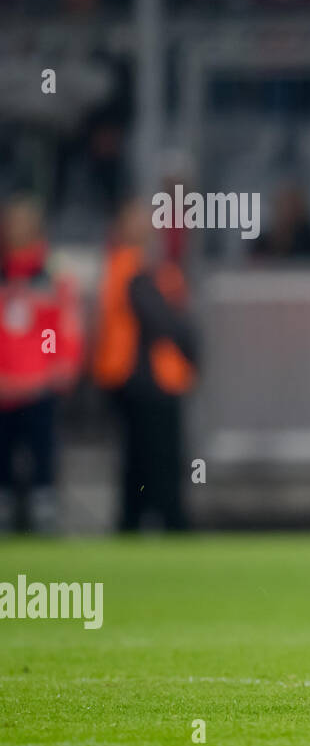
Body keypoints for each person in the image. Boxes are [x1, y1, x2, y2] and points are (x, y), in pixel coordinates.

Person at [91, 199, 197, 532]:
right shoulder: (134, 269)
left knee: (140, 461)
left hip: (144, 377)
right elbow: (162, 321)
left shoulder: (134, 267)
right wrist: (190, 348)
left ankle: (135, 521)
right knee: (157, 460)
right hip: (145, 379)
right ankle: (166, 521)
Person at [0, 195, 83, 533]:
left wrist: (60, 365)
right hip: (3, 385)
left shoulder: (51, 272)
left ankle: (43, 514)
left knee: (42, 456)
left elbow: (63, 325)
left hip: (39, 384)